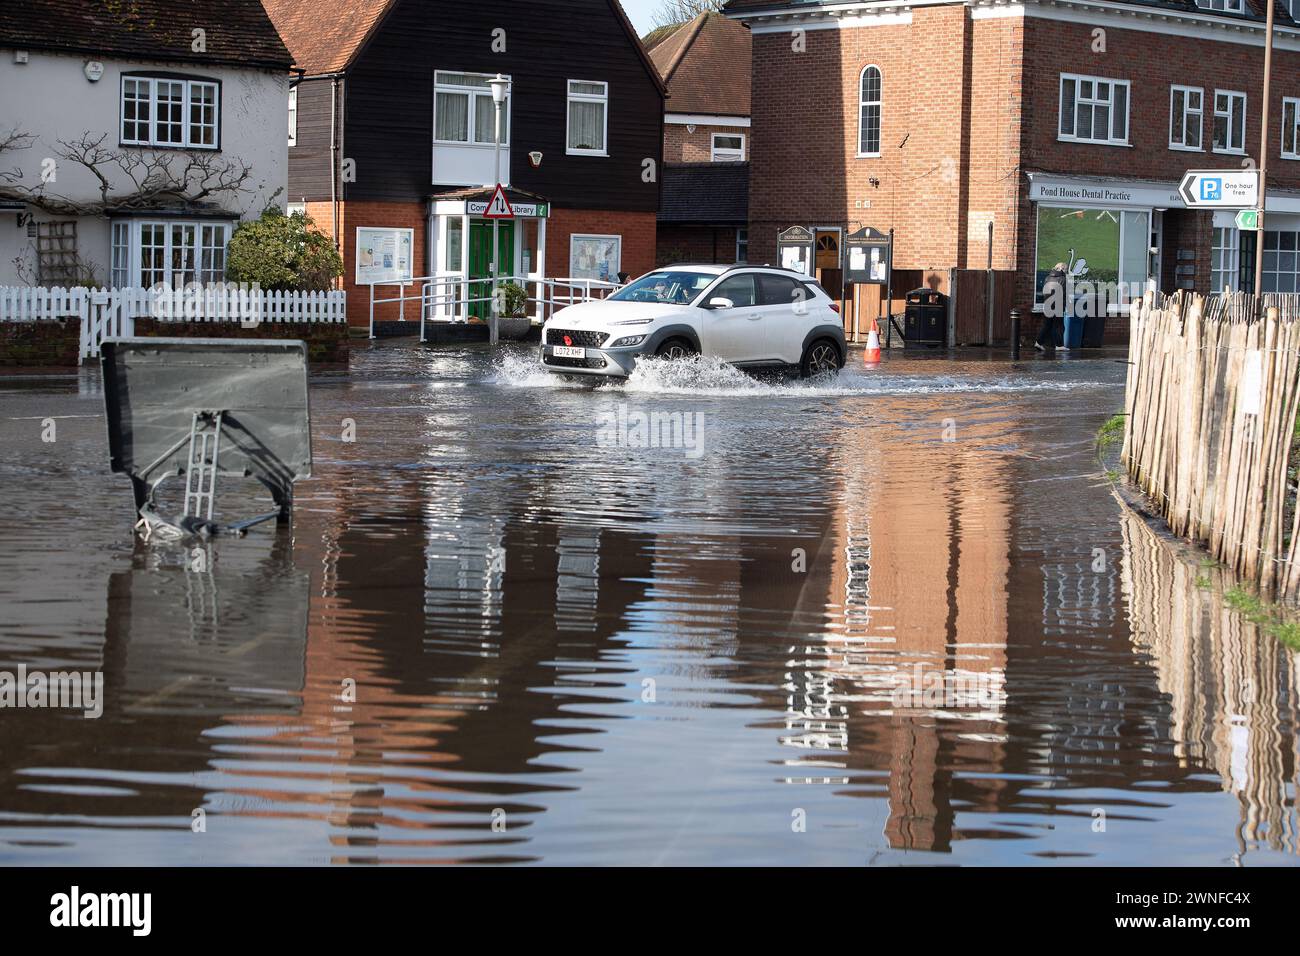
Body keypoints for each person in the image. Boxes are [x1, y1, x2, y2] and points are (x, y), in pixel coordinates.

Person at [1036, 263, 1068, 352]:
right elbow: (1064, 294)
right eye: (1066, 269)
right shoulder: (1063, 279)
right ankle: (1059, 345)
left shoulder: (1047, 278)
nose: (1066, 271)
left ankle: (1038, 342)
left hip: (1047, 304)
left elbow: (1044, 292)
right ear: (1061, 269)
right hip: (1058, 305)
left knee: (1047, 325)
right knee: (1059, 326)